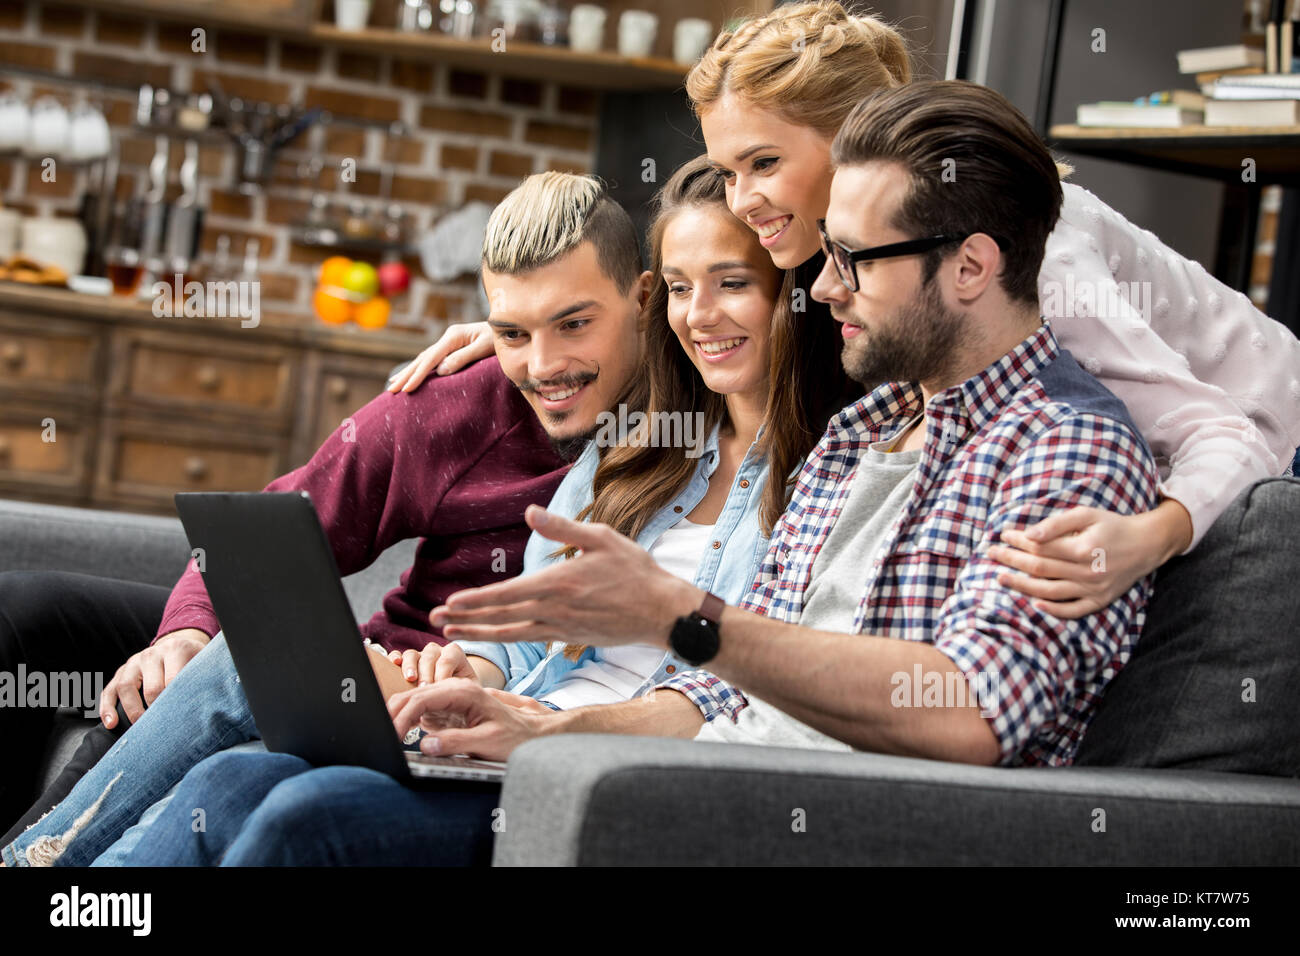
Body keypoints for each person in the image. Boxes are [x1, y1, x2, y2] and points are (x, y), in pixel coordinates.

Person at [117, 79, 1161, 865]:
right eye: (822, 257)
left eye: (855, 261)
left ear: (970, 265)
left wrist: (685, 616)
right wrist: (538, 724)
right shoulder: (866, 429)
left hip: (842, 821)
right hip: (688, 764)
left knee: (311, 818)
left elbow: (970, 714)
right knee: (251, 770)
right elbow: (708, 697)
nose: (826, 288)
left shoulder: (1062, 445)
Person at [3, 157, 826, 866]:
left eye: (575, 324)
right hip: (422, 669)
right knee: (75, 626)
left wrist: (493, 688)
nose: (545, 365)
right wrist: (190, 625)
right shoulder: (505, 413)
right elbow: (287, 527)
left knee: (255, 715)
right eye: (514, 332)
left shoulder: (792, 455)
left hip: (527, 723)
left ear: (637, 303)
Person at [391, 0, 1300, 620]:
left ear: (852, 132)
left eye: (762, 163)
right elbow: (707, 334)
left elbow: (1228, 432)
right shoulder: (849, 265)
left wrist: (1150, 535)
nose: (740, 197)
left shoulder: (1024, 255)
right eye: (727, 168)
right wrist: (525, 339)